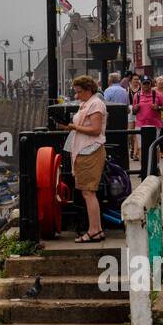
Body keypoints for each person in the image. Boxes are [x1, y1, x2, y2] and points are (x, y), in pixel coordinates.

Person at [58, 74, 107, 242]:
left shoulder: (95, 104)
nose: (76, 96)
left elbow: (95, 130)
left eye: (79, 92)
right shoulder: (87, 103)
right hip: (84, 150)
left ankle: (93, 230)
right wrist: (70, 127)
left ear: (89, 90)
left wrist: (73, 126)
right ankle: (97, 229)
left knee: (88, 192)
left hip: (90, 151)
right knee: (88, 192)